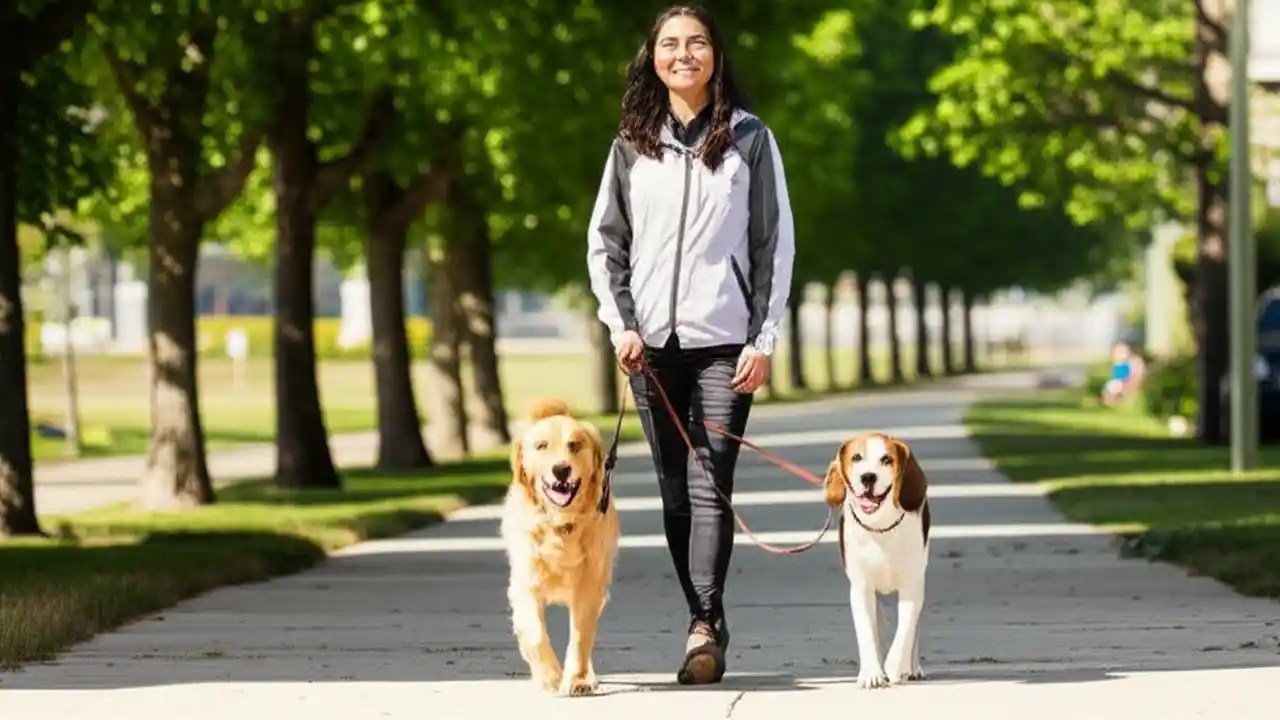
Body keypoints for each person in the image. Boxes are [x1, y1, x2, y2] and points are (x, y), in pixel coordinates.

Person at [585, 3, 795, 685]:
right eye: (670, 44)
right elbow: (605, 244)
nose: (683, 54)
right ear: (652, 57)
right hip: (650, 350)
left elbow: (774, 245)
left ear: (716, 56)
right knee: (675, 491)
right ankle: (707, 616)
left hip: (724, 345)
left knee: (711, 485)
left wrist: (763, 338)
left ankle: (703, 625)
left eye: (697, 42)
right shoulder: (631, 142)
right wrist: (622, 328)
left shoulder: (750, 139)